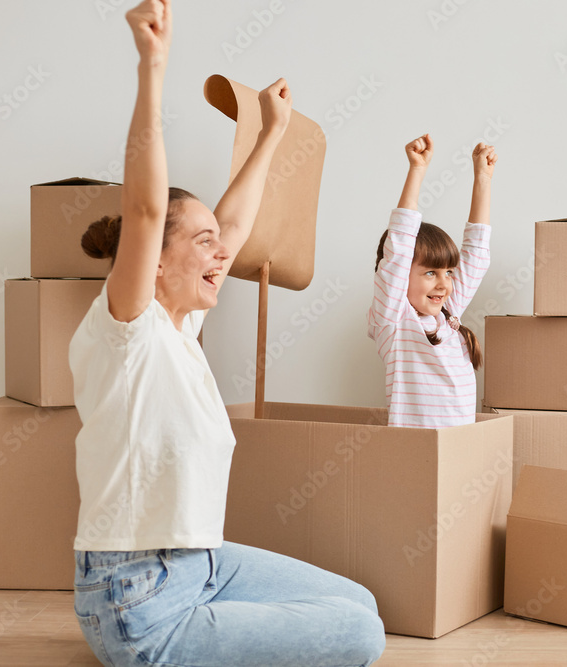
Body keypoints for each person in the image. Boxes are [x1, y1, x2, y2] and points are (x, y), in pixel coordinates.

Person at [68, 1, 385, 665]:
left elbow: (235, 225)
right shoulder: (130, 329)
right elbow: (146, 206)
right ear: (153, 257)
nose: (222, 255)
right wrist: (151, 67)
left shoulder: (182, 326)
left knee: (359, 601)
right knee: (361, 638)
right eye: (202, 243)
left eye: (219, 245)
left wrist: (271, 131)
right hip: (138, 602)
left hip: (198, 564)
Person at [368, 134, 498, 428]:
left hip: (459, 450)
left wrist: (483, 178)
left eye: (448, 273)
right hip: (417, 453)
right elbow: (399, 250)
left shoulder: (449, 313)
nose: (443, 284)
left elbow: (477, 253)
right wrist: (417, 170)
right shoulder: (394, 323)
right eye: (430, 273)